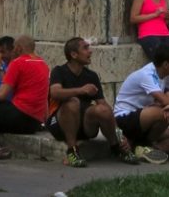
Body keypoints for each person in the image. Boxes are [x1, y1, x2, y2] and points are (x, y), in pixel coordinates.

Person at [47, 37, 138, 167]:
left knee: (103, 109)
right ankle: (72, 151)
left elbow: (103, 103)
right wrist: (81, 90)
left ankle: (117, 147)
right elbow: (55, 93)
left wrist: (119, 132)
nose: (90, 52)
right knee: (73, 102)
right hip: (59, 124)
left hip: (85, 126)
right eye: (85, 48)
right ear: (73, 54)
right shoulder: (59, 71)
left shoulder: (91, 76)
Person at [0, 34, 49, 161]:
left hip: (19, 116)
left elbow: (2, 94)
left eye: (15, 47)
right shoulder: (43, 64)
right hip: (34, 122)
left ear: (18, 48)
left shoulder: (17, 63)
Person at [112, 42, 169, 163]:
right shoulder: (147, 74)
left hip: (144, 120)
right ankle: (144, 145)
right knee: (162, 111)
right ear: (165, 64)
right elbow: (166, 101)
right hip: (125, 118)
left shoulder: (168, 75)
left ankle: (147, 149)